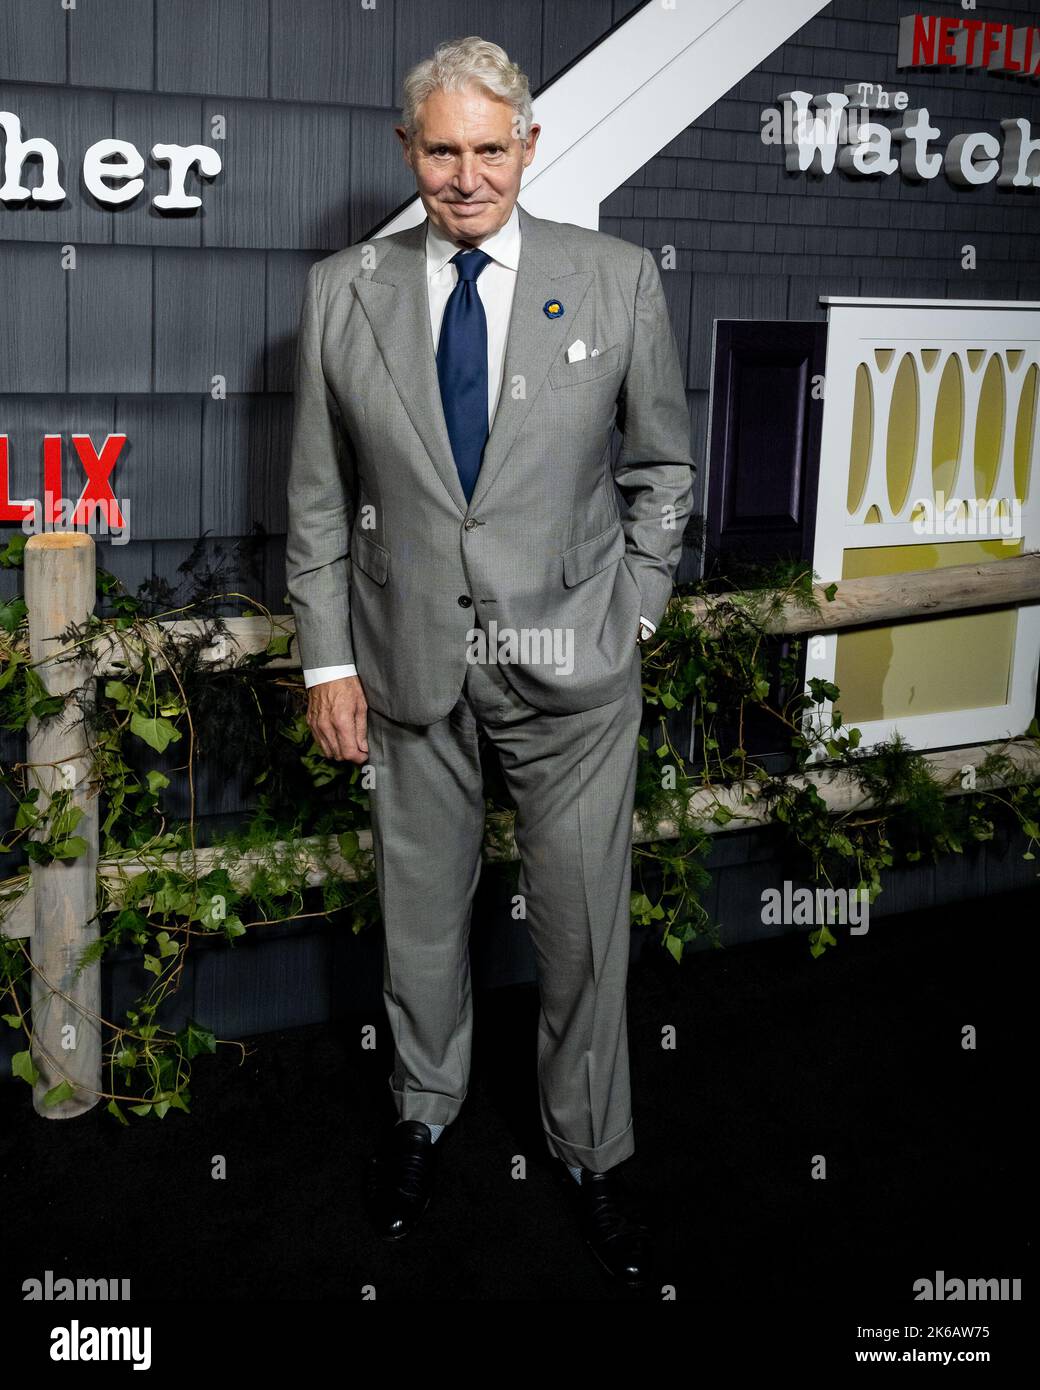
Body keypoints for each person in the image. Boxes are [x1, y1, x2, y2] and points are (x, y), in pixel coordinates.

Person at [285, 34, 694, 1292]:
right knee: (419, 924)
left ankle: (591, 1150)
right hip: (405, 662)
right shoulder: (342, 289)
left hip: (572, 671)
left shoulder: (614, 279)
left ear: (528, 143)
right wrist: (324, 664)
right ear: (405, 150)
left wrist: (630, 614)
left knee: (580, 933)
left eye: (488, 149)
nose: (465, 177)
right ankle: (421, 1113)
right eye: (440, 151)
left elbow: (661, 470)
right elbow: (316, 501)